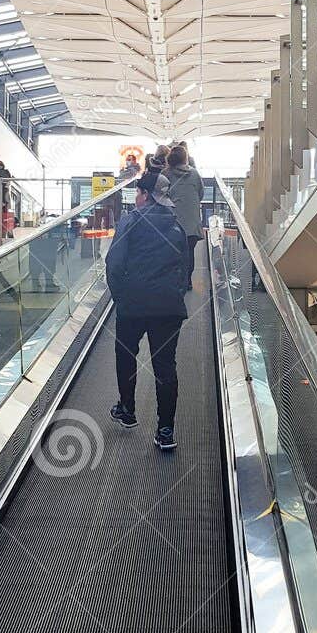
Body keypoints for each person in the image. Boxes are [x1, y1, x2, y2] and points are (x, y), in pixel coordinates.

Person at [105, 170, 190, 451]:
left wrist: (121, 297)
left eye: (139, 193)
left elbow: (114, 264)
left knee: (126, 355)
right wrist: (174, 294)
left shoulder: (130, 222)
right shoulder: (177, 226)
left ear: (145, 195)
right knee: (165, 366)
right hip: (168, 307)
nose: (137, 198)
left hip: (133, 304)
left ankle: (127, 409)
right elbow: (185, 269)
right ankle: (166, 431)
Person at [161, 143, 204, 283]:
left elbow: (160, 197)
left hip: (172, 223)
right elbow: (201, 194)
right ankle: (188, 281)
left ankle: (174, 280)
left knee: (172, 252)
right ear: (186, 158)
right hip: (192, 223)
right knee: (189, 252)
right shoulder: (195, 173)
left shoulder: (165, 174)